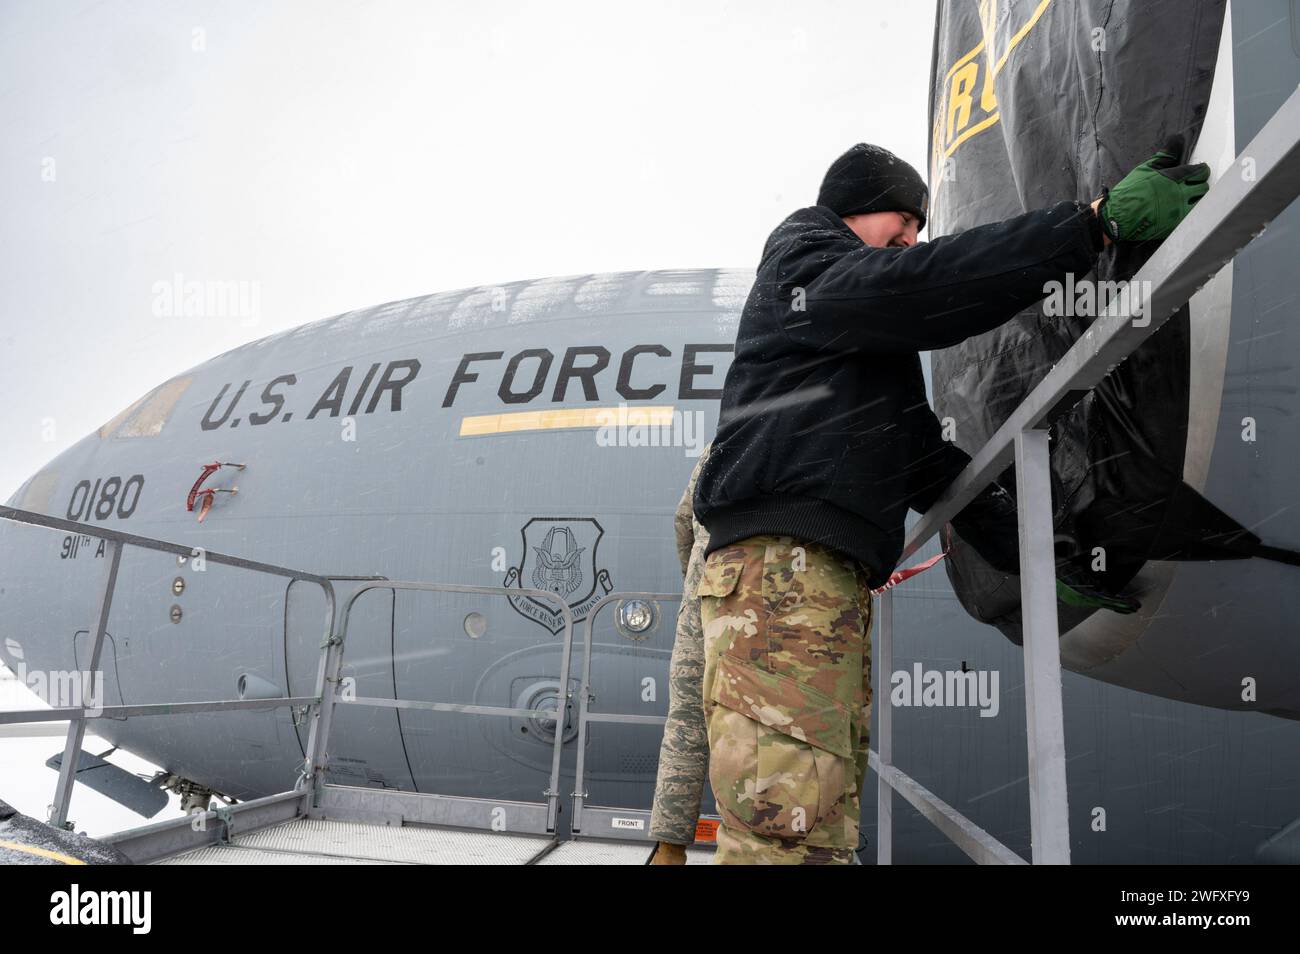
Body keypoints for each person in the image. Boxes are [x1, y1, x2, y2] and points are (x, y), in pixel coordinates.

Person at [691, 140, 1209, 864]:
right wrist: (1087, 228)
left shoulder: (860, 353)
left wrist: (1036, 557)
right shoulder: (803, 256)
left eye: (916, 233)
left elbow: (925, 461)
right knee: (782, 827)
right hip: (784, 580)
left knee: (817, 826)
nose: (909, 242)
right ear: (848, 210)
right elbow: (919, 285)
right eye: (898, 225)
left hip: (818, 585)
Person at [647, 443, 712, 865]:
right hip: (768, 602)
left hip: (704, 595)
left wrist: (695, 577)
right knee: (748, 727)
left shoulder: (720, 446)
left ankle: (669, 851)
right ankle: (748, 843)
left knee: (687, 723)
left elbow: (683, 520)